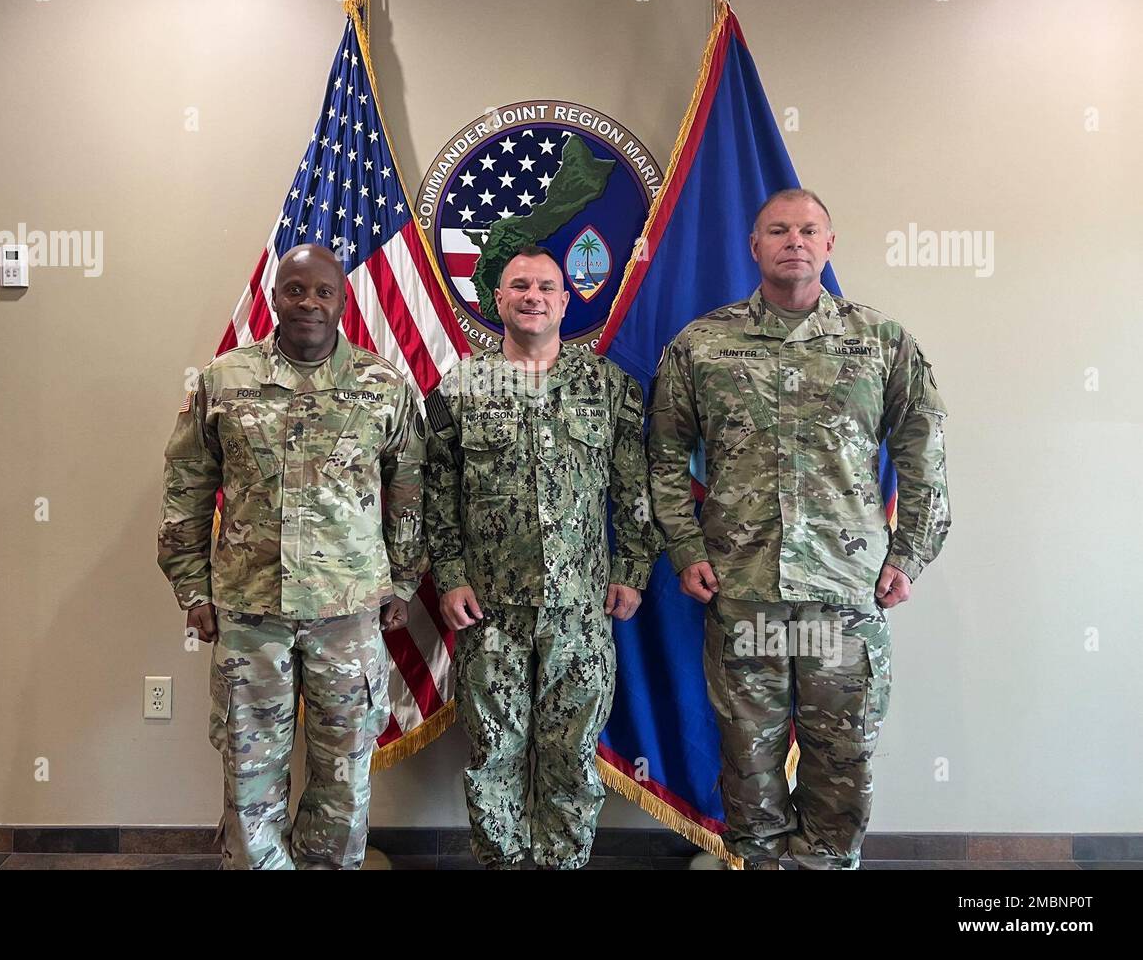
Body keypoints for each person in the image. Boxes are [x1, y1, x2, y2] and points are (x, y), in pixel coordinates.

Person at [647, 189, 950, 870]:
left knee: (841, 760)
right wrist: (684, 545)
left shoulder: (880, 342)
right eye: (778, 229)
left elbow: (923, 452)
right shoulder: (703, 344)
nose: (794, 240)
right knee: (748, 760)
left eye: (809, 229)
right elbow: (663, 455)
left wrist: (911, 552)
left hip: (845, 596)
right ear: (753, 246)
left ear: (829, 244)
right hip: (743, 588)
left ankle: (826, 864)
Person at [157, 244, 423, 870]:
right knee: (250, 778)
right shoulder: (224, 380)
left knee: (344, 778)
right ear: (274, 298)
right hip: (250, 614)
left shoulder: (382, 385)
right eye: (294, 289)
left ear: (342, 301)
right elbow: (186, 486)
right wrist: (192, 591)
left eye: (322, 291)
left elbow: (410, 486)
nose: (308, 302)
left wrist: (404, 584)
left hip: (349, 615)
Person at [424, 245, 661, 869]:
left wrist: (632, 572)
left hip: (580, 609)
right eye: (519, 286)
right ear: (496, 300)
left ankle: (562, 864)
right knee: (494, 755)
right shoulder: (462, 386)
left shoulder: (606, 385)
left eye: (546, 286)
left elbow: (634, 488)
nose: (533, 296)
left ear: (566, 299)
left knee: (573, 756)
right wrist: (448, 577)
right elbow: (436, 494)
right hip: (489, 611)